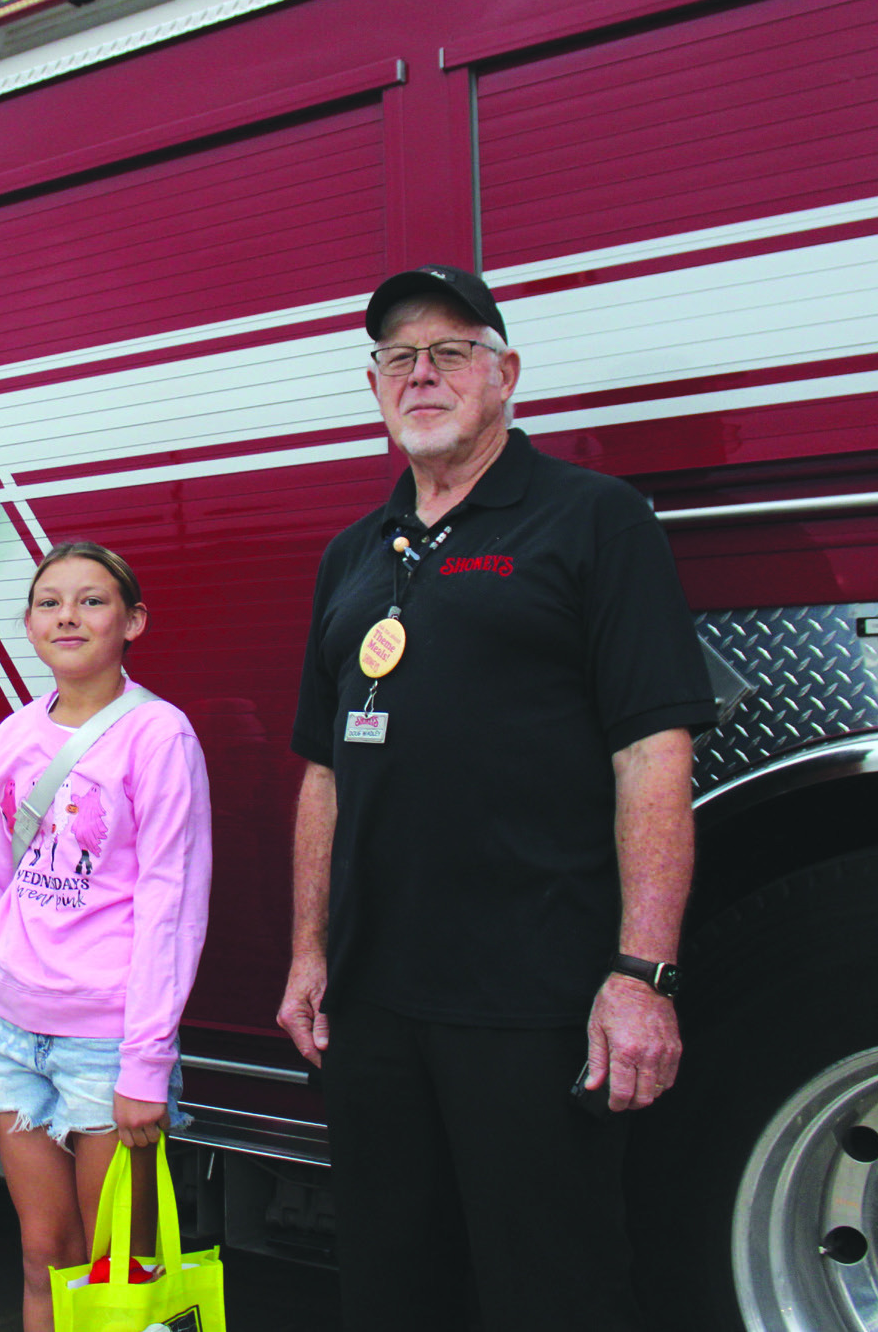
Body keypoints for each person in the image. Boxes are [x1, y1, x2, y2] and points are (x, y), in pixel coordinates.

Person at [274, 265, 714, 1331]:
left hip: (531, 996)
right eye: (397, 358)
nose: (421, 374)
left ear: (504, 375)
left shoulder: (592, 520)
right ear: (375, 385)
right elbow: (323, 771)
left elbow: (651, 755)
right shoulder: (352, 557)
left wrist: (640, 974)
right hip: (373, 1004)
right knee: (387, 1279)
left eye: (451, 351)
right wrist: (308, 950)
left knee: (550, 1286)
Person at [0, 542, 213, 1332]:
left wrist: (146, 1062)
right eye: (49, 601)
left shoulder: (159, 736)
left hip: (107, 1045)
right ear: (29, 624)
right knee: (45, 1257)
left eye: (92, 600)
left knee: (114, 1278)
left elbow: (173, 903)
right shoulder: (9, 739)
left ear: (133, 621)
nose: (68, 615)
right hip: (10, 1035)